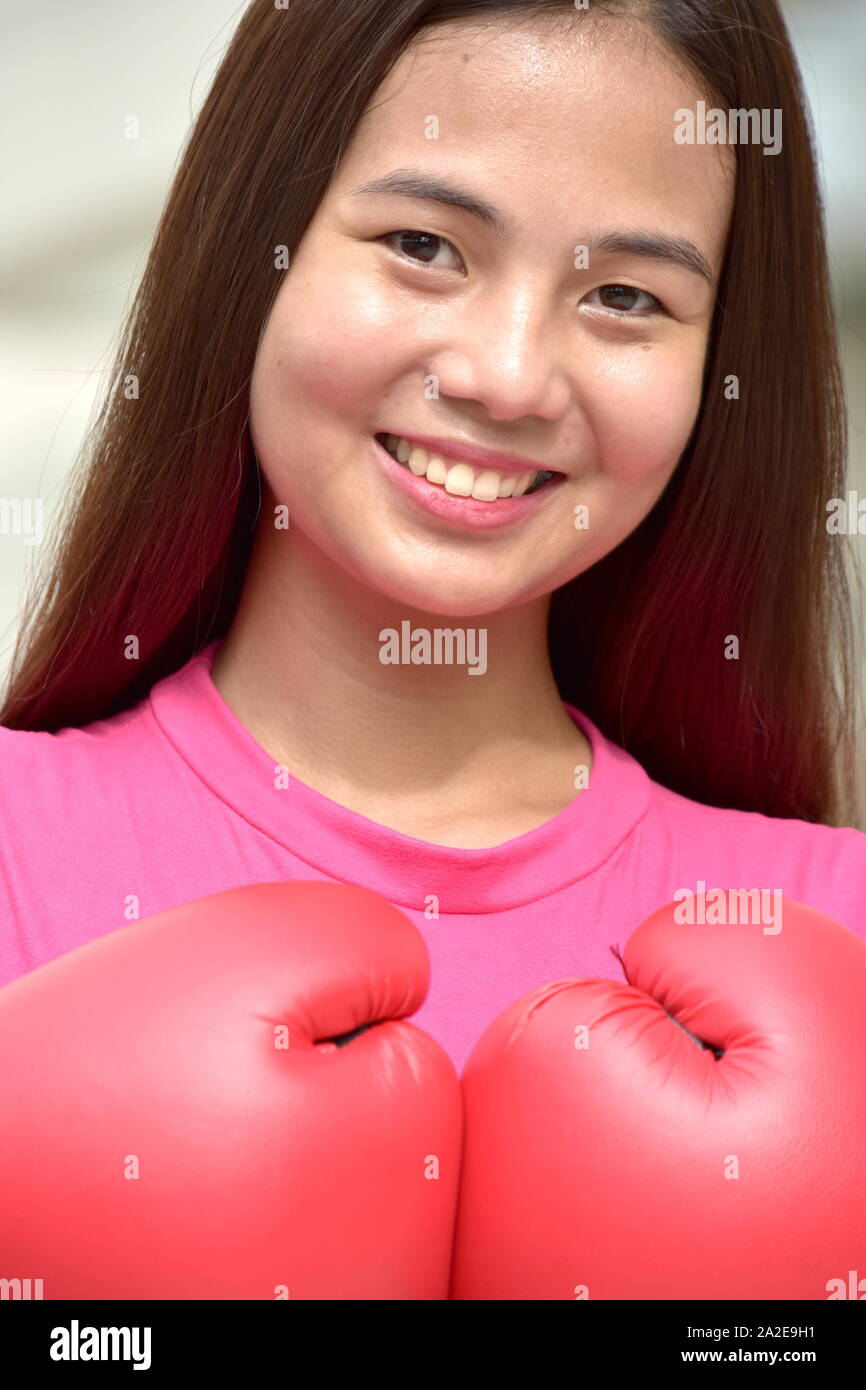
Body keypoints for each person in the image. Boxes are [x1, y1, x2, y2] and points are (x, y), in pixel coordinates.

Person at [1, 0, 863, 1073]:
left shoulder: (833, 932)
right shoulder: (14, 852)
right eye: (422, 245)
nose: (506, 377)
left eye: (627, 296)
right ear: (250, 255)